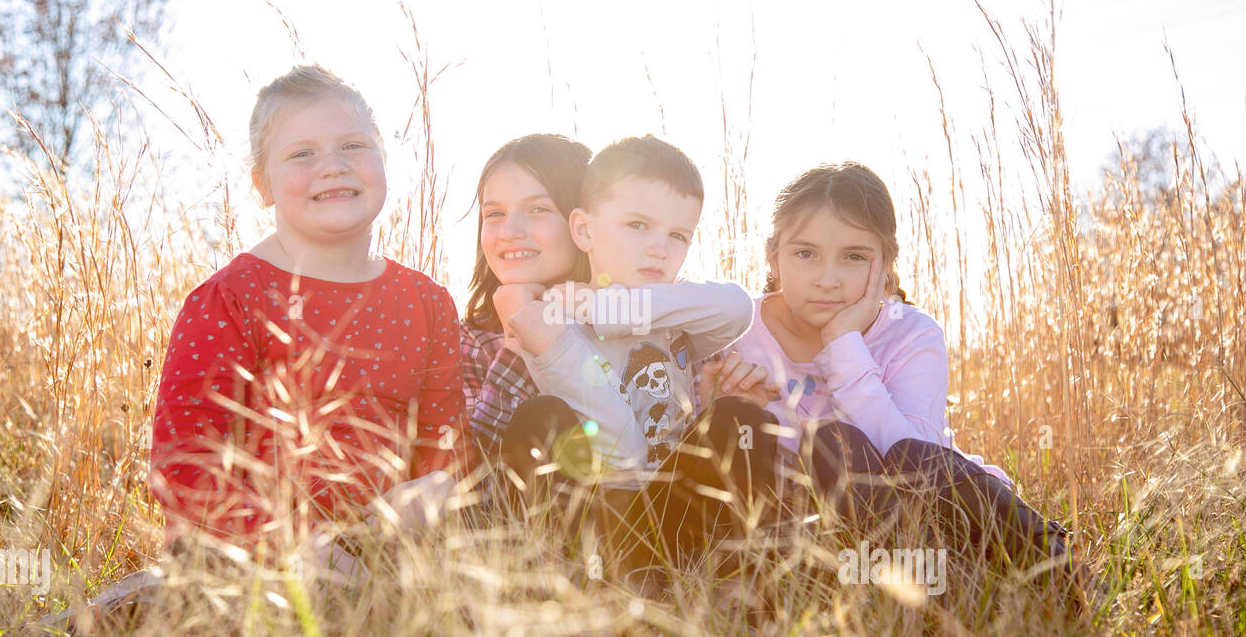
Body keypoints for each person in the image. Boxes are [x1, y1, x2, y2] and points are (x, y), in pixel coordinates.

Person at [715, 162, 1089, 594]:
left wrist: (842, 343)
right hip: (804, 528)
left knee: (839, 443)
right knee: (821, 445)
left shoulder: (912, 333)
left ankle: (1045, 558)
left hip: (924, 514)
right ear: (773, 256)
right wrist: (718, 402)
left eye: (854, 257)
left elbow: (913, 457)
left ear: (887, 264)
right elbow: (720, 463)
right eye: (805, 253)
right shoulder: (734, 330)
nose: (828, 279)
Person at [149, 64, 466, 559]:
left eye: (354, 146)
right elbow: (186, 463)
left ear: (383, 159)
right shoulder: (234, 299)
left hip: (388, 553)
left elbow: (443, 442)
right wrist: (288, 544)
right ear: (263, 185)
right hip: (255, 557)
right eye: (302, 154)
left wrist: (430, 496)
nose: (334, 165)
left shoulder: (426, 302)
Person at [492, 135, 776, 572]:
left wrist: (613, 307)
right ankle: (561, 580)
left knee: (743, 419)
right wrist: (573, 324)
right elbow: (619, 447)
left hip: (676, 507)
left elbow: (737, 308)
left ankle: (730, 580)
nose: (661, 248)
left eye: (678, 235)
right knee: (540, 419)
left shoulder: (671, 311)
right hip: (600, 504)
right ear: (584, 230)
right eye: (639, 225)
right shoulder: (555, 318)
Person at [459, 133, 592, 459]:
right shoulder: (475, 341)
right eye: (494, 214)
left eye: (538, 208)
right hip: (538, 506)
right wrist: (517, 344)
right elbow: (477, 470)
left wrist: (714, 390)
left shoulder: (637, 313)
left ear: (585, 224)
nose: (509, 231)